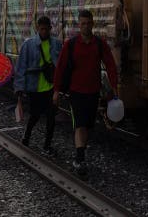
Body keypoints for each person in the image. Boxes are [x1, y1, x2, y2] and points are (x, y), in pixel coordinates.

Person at [53, 10, 117, 177]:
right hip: (76, 91)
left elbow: (110, 65)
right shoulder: (71, 44)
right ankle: (80, 158)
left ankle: (80, 155)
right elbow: (60, 67)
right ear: (79, 25)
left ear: (93, 24)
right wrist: (56, 90)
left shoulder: (99, 44)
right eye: (83, 24)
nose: (86, 26)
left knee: (88, 125)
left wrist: (115, 86)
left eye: (88, 23)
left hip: (93, 91)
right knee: (80, 124)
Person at [14, 15, 62, 153]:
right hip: (35, 87)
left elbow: (61, 65)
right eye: (42, 29)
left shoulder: (56, 44)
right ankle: (26, 136)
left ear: (50, 28)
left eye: (46, 29)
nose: (44, 32)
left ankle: (47, 145)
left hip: (50, 86)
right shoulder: (28, 45)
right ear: (37, 28)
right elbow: (21, 67)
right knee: (35, 115)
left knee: (51, 117)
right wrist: (19, 87)